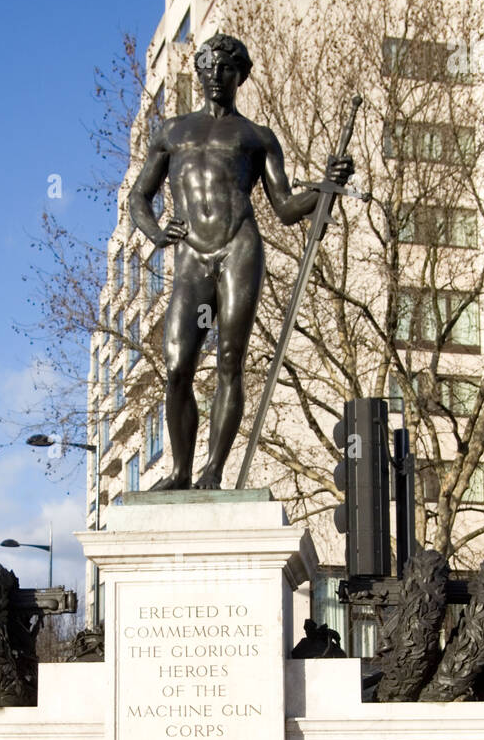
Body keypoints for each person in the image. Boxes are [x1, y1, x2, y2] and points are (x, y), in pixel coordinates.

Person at [129, 33, 354, 490]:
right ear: (199, 73)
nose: (216, 75)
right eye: (209, 67)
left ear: (241, 75)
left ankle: (213, 469)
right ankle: (180, 470)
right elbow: (139, 196)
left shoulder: (256, 137)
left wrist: (325, 188)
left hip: (239, 248)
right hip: (191, 252)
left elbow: (286, 207)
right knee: (177, 366)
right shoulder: (172, 132)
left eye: (226, 68)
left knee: (231, 359)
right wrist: (155, 232)